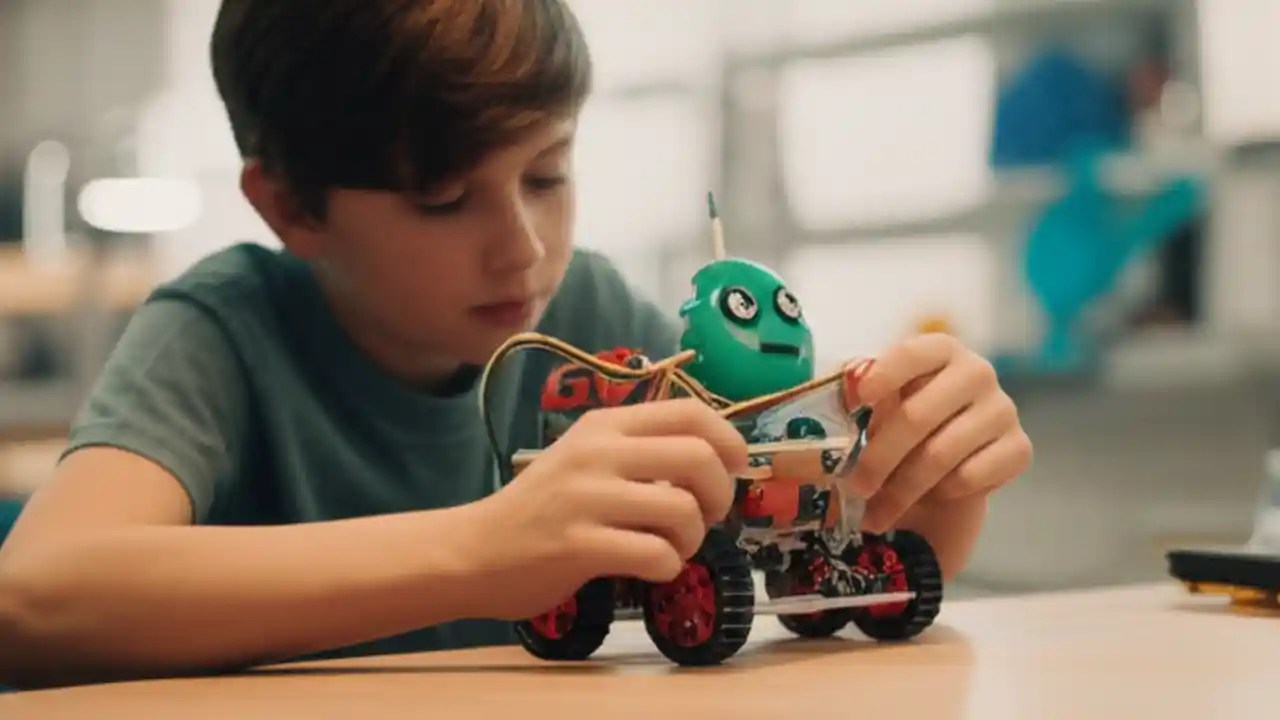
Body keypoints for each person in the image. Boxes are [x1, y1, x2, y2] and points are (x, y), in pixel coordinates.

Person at [0, 0, 1032, 689]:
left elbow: (825, 595)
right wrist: (481, 552)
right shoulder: (223, 332)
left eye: (546, 174)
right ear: (290, 208)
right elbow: (34, 601)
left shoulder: (580, 316)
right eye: (443, 199)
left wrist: (928, 479)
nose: (522, 249)